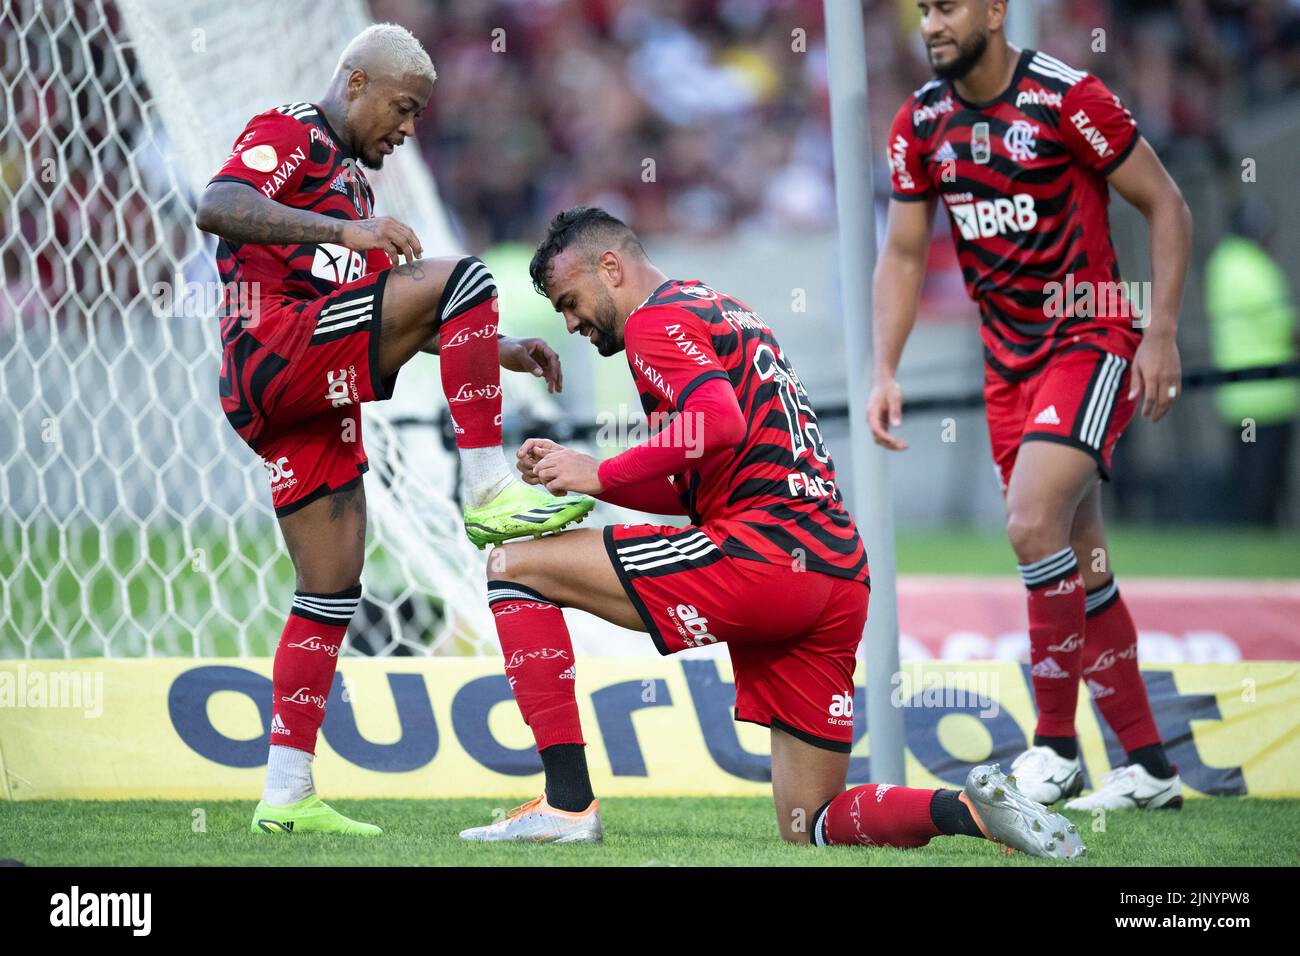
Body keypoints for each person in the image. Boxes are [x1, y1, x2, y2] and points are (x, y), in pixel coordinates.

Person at [456, 206, 1084, 859]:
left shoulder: (654, 322)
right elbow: (706, 474)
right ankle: (965, 810)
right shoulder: (722, 308)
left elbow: (716, 422)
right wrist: (590, 481)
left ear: (610, 268)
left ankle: (564, 804)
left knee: (513, 565)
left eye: (571, 301)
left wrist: (602, 469)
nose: (570, 322)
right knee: (809, 821)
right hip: (834, 572)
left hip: (764, 556)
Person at [195, 24, 593, 835]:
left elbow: (402, 318)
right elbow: (218, 206)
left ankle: (285, 793)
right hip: (274, 349)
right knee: (466, 272)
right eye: (403, 108)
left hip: (304, 393)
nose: (407, 129)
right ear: (356, 84)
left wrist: (498, 347)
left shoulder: (357, 191)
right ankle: (485, 487)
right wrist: (347, 235)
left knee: (330, 591)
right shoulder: (289, 132)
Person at [869, 0, 1193, 810]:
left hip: (1089, 337)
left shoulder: (1066, 97)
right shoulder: (921, 123)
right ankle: (1151, 768)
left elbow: (1168, 205)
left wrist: (1160, 333)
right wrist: (884, 367)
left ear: (994, 9)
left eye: (947, 6)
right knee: (1078, 557)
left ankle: (1054, 750)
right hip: (1007, 364)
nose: (932, 24)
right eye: (922, 10)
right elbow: (905, 253)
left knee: (1027, 524)